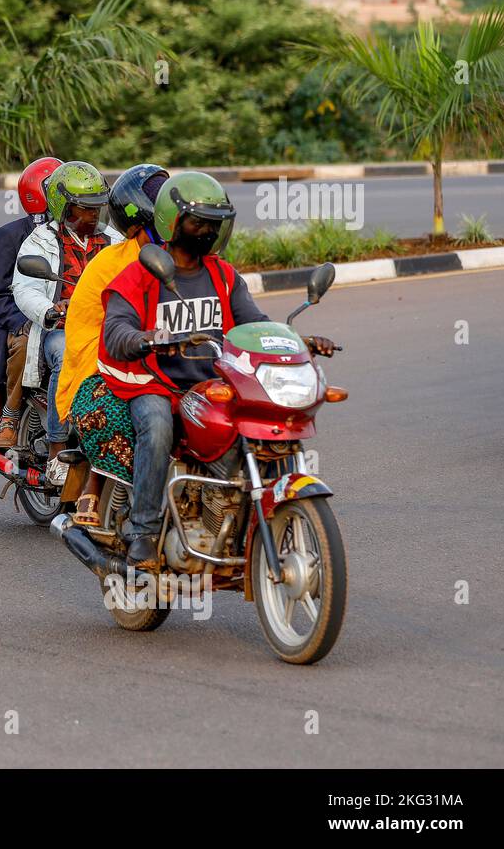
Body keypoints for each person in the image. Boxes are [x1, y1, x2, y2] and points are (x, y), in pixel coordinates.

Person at [97, 171, 336, 567]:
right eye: (199, 221)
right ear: (173, 222)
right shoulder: (142, 272)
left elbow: (253, 323)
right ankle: (142, 530)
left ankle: (233, 511)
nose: (207, 230)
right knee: (157, 425)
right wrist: (147, 338)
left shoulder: (223, 275)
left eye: (214, 222)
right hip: (154, 382)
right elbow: (116, 331)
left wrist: (297, 340)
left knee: (259, 421)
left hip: (209, 384)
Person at [55, 163, 168, 526]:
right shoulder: (117, 263)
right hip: (99, 356)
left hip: (161, 354)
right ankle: (94, 485)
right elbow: (116, 331)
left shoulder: (182, 257)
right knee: (113, 405)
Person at [11, 160, 110, 485]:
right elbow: (24, 287)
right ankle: (57, 446)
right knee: (66, 355)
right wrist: (51, 310)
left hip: (108, 327)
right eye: (85, 209)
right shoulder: (40, 241)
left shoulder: (113, 239)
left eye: (97, 208)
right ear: (64, 207)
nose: (93, 216)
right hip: (61, 329)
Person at [0, 156, 60, 449]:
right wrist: (26, 321)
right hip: (21, 323)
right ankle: (11, 414)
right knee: (28, 341)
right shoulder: (9, 236)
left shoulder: (77, 233)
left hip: (67, 319)